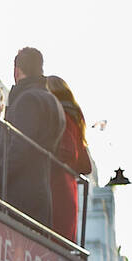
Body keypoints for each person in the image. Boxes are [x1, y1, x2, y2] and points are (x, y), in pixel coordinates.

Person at [0, 47, 65, 227]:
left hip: (19, 195)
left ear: (17, 71)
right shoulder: (53, 102)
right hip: (41, 192)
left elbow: (19, 149)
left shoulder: (27, 100)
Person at [46, 75, 93, 243]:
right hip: (69, 190)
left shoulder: (58, 116)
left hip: (54, 184)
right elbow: (85, 166)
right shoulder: (76, 118)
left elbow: (66, 152)